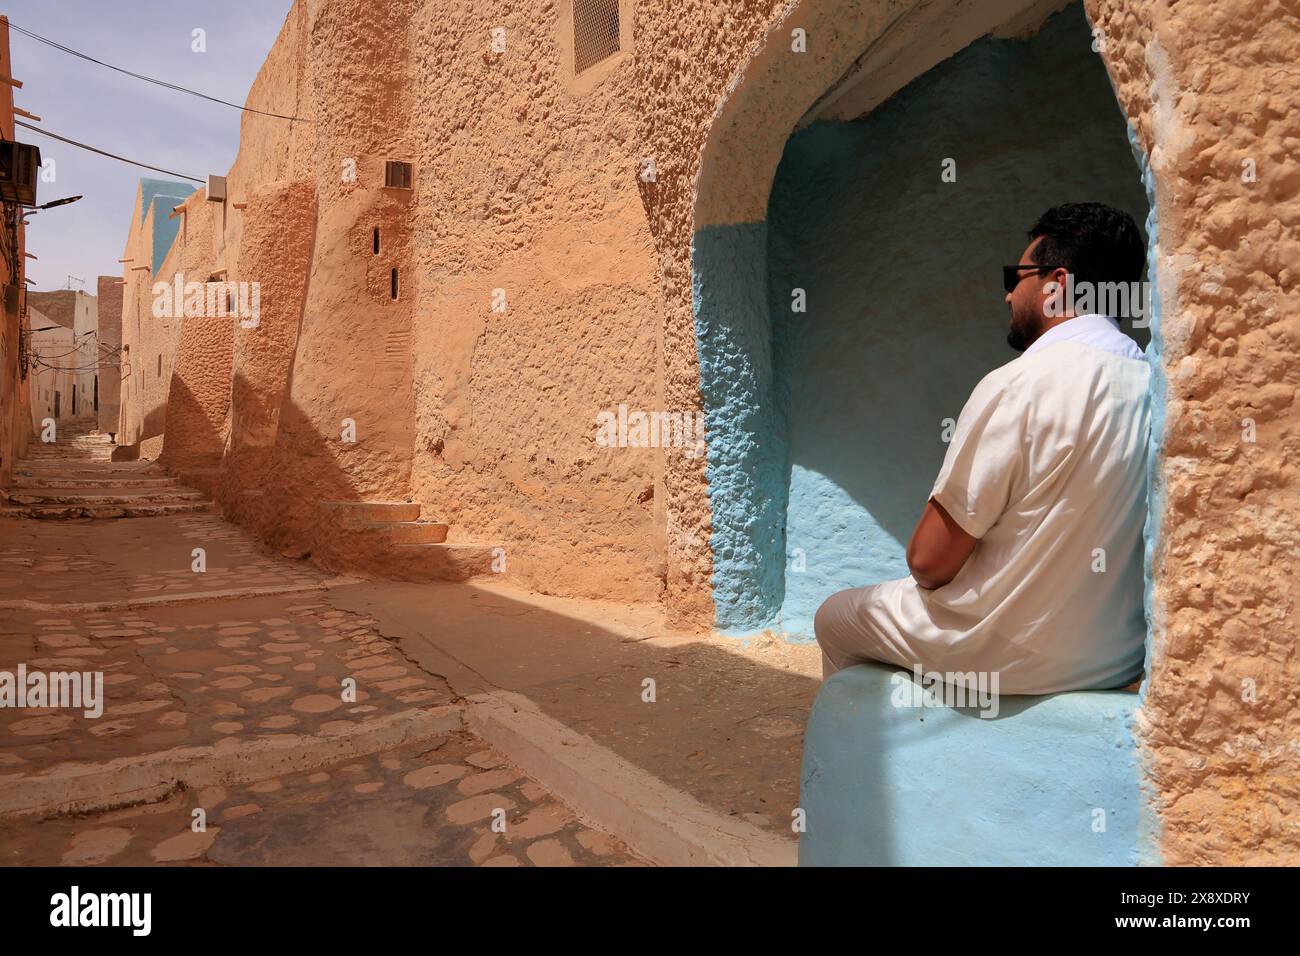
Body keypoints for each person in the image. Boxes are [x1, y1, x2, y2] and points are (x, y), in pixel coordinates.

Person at [814, 202, 1150, 695]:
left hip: (1003, 656)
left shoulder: (1018, 384)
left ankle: (875, 745)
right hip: (1115, 657)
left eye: (1017, 276)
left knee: (834, 616)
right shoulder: (1153, 384)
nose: (1009, 293)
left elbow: (928, 563)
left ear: (1057, 284)